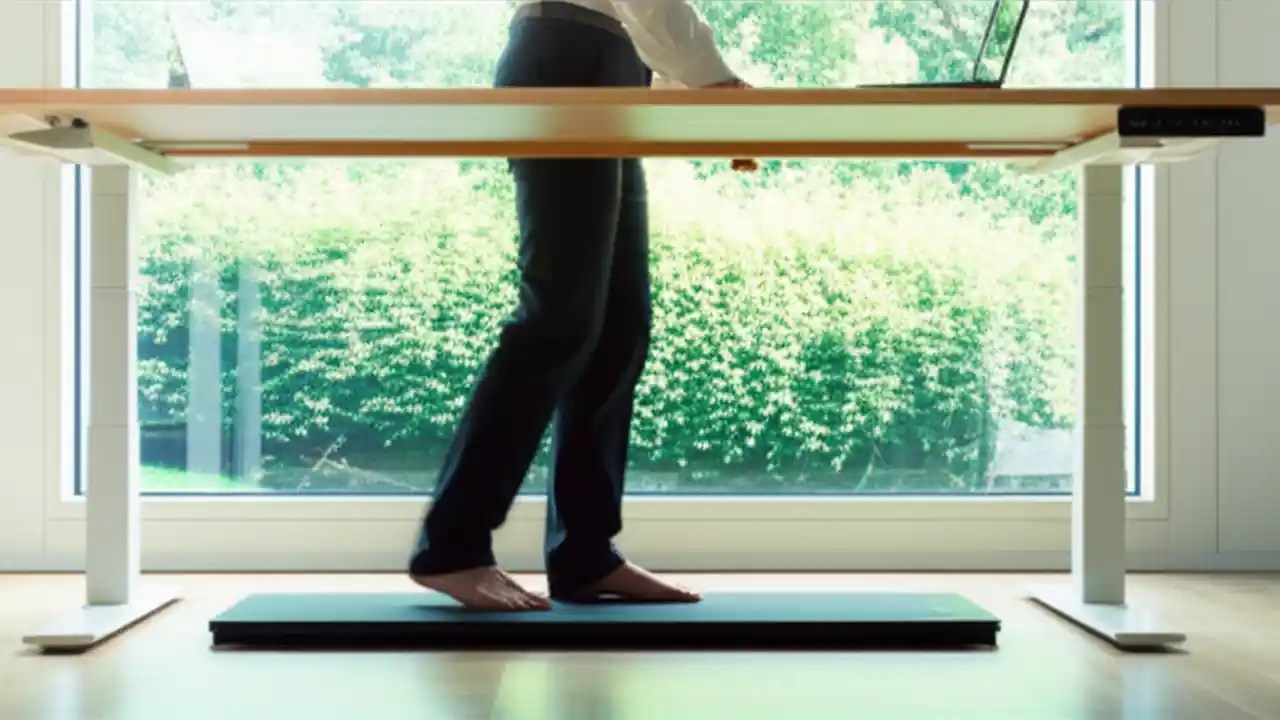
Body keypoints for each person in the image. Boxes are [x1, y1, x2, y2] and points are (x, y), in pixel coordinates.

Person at [408, 0, 751, 611]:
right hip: (565, 57)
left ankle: (586, 554)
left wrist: (710, 90)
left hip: (610, 62)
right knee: (557, 321)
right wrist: (715, 84)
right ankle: (453, 547)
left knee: (620, 326)